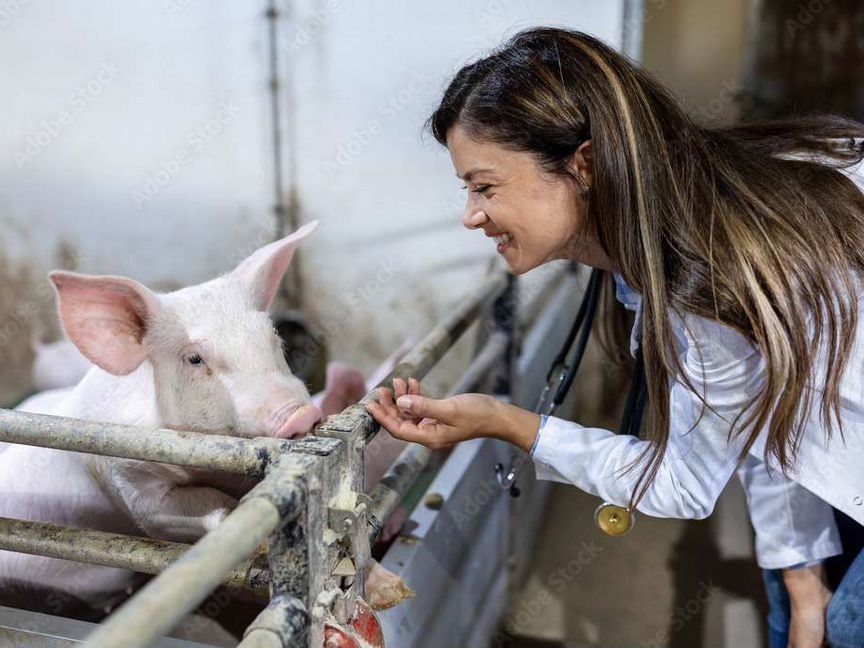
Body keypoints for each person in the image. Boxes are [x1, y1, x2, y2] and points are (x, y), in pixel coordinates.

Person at [365, 28, 864, 648]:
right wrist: (801, 583)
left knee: (844, 626)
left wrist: (505, 421)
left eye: (484, 186)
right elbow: (774, 418)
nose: (470, 214)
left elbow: (684, 482)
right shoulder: (699, 231)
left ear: (586, 164)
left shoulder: (706, 286)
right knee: (797, 605)